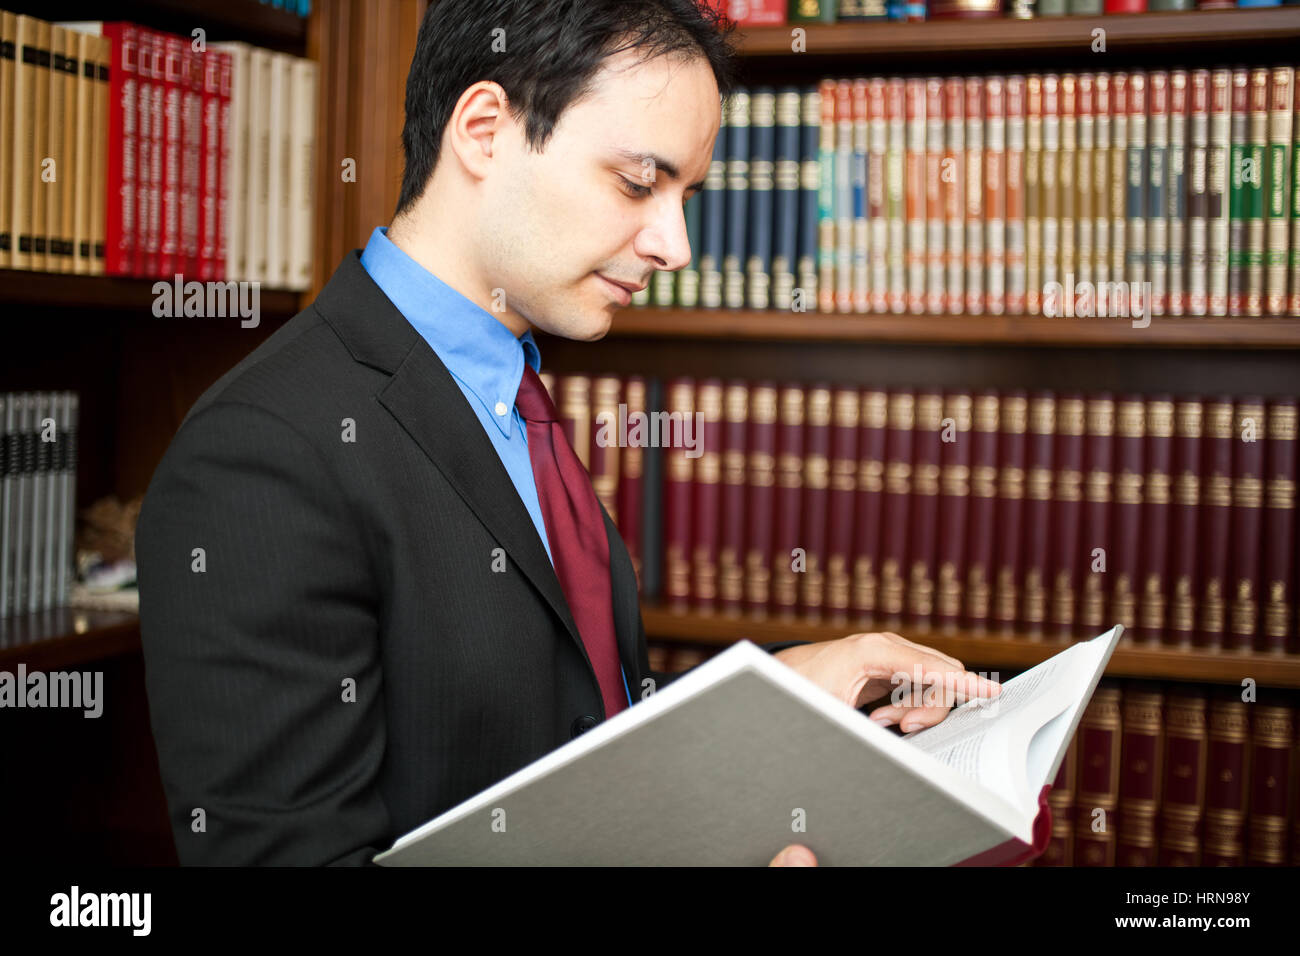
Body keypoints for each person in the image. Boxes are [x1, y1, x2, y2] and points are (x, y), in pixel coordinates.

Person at [135, 0, 1000, 866]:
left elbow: (571, 730)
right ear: (483, 131)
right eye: (637, 183)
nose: (676, 246)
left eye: (685, 194)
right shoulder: (260, 457)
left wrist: (787, 688)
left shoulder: (513, 388)